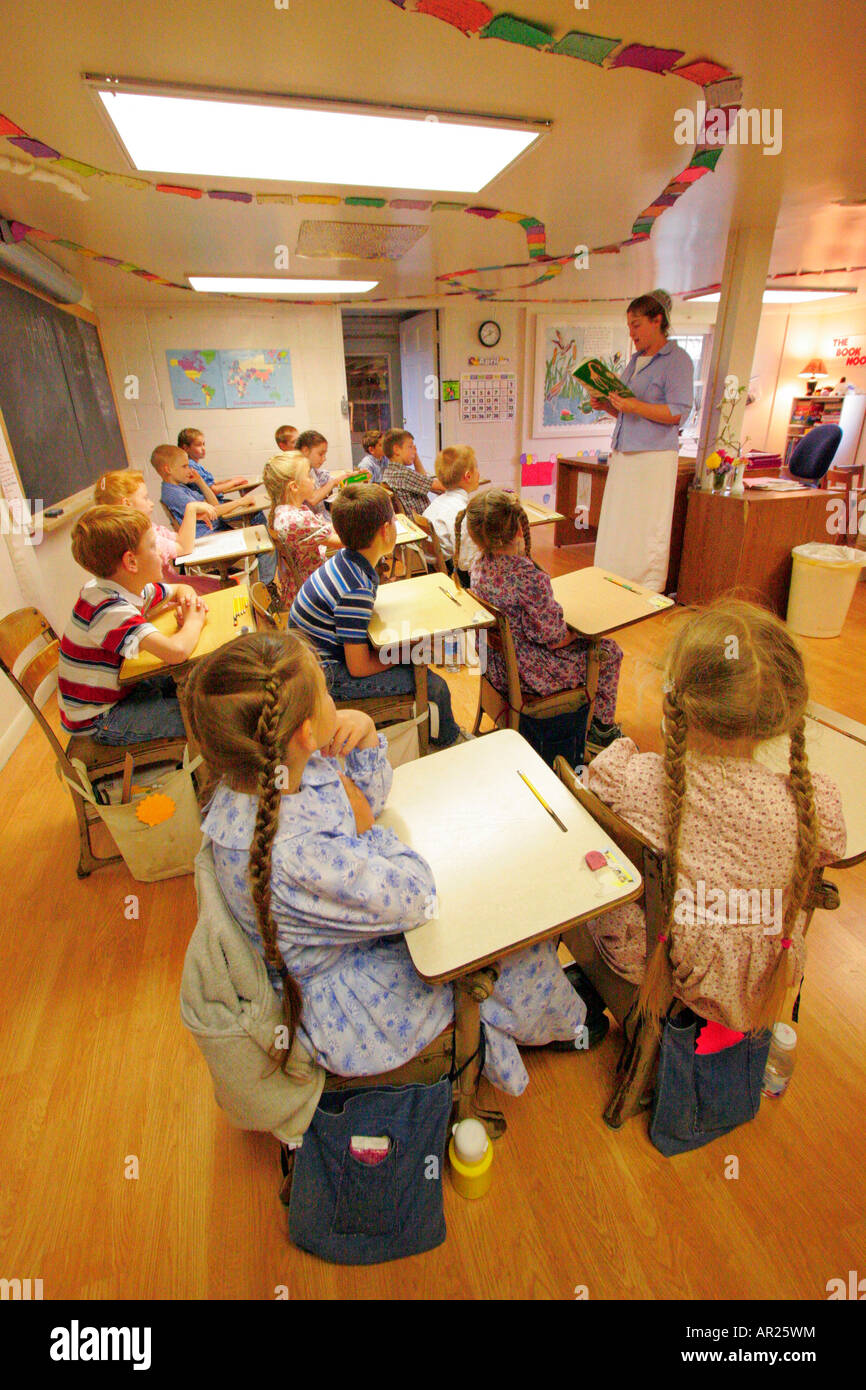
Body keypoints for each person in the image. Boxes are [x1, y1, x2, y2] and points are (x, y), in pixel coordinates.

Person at [187, 629, 591, 1094]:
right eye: (326, 688)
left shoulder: (265, 775)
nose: (332, 695)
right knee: (509, 935)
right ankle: (567, 1025)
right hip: (357, 1005)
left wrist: (363, 736)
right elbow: (416, 897)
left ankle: (543, 1012)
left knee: (482, 886)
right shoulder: (296, 857)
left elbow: (367, 805)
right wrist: (371, 829)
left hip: (358, 930)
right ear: (304, 732)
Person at [566, 600, 846, 1038]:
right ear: (783, 716)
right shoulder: (804, 807)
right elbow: (829, 847)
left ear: (676, 697)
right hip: (753, 982)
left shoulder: (634, 778)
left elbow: (589, 808)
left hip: (647, 960)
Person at [289, 482, 461, 749]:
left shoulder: (347, 561)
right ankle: (448, 745)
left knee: (412, 654)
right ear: (386, 530)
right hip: (327, 678)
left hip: (314, 664)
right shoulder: (355, 588)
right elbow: (358, 667)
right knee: (433, 684)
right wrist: (406, 654)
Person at [458, 489, 623, 757]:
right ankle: (601, 731)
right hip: (533, 675)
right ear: (517, 530)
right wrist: (574, 632)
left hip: (497, 668)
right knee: (609, 651)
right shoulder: (527, 576)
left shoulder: (478, 566)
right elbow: (555, 637)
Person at [58, 505, 207, 743]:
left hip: (124, 692)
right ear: (131, 562)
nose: (161, 551)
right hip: (102, 718)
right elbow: (176, 652)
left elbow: (180, 589)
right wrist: (194, 620)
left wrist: (188, 601)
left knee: (199, 681)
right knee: (204, 721)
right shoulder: (107, 608)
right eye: (152, 545)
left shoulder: (127, 586)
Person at [590, 289, 694, 592]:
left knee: (645, 522)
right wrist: (608, 405)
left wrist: (633, 405)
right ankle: (613, 576)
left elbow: (678, 412)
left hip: (654, 454)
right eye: (629, 326)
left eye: (636, 325)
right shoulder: (635, 360)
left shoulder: (677, 360)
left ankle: (645, 583)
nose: (631, 333)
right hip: (625, 449)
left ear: (656, 320)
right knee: (619, 517)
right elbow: (627, 411)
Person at [94, 470, 220, 595]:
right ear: (127, 503)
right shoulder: (140, 537)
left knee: (219, 585)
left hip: (174, 587)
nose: (151, 503)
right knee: (222, 588)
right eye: (145, 498)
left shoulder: (147, 527)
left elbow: (178, 538)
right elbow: (184, 548)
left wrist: (191, 519)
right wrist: (191, 509)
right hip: (167, 595)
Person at [262, 453, 340, 608]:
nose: (312, 481)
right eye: (308, 476)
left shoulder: (286, 512)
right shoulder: (296, 520)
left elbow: (327, 528)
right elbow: (344, 542)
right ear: (294, 486)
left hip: (304, 584)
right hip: (313, 590)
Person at [152, 445, 248, 538]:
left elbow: (214, 505)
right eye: (184, 466)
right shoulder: (173, 494)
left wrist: (200, 481)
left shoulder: (180, 487)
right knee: (252, 529)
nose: (190, 471)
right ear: (168, 469)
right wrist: (240, 502)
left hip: (216, 529)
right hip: (207, 534)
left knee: (252, 529)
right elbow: (213, 512)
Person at [422, 445, 482, 586]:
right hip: (456, 577)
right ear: (468, 476)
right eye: (477, 468)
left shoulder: (436, 504)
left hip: (435, 569)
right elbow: (466, 563)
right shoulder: (461, 513)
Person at [381, 428, 444, 515]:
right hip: (422, 524)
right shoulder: (403, 474)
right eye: (410, 447)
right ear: (396, 450)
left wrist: (415, 456)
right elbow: (441, 487)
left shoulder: (390, 471)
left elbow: (423, 479)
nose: (413, 451)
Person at [177, 427, 248, 497]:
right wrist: (234, 482)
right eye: (198, 445)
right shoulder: (191, 466)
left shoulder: (194, 465)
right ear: (185, 448)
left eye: (203, 444)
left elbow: (212, 483)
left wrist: (230, 481)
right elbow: (213, 490)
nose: (203, 448)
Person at [295, 430, 350, 516]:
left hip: (321, 517)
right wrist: (333, 483)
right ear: (305, 450)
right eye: (320, 454)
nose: (324, 459)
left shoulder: (312, 469)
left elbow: (328, 479)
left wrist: (352, 476)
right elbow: (312, 499)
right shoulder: (296, 472)